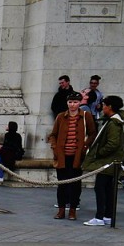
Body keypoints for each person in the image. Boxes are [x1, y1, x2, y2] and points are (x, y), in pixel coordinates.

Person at [81, 95, 124, 226]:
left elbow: (113, 144)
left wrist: (99, 153)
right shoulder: (111, 121)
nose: (102, 108)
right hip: (111, 161)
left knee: (101, 188)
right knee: (108, 189)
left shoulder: (114, 123)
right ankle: (108, 215)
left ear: (110, 107)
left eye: (104, 105)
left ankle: (100, 217)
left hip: (108, 161)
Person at [48, 91, 96, 220]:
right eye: (70, 102)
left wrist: (85, 146)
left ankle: (73, 210)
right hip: (62, 156)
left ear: (80, 103)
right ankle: (61, 209)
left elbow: (92, 133)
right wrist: (54, 147)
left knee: (75, 185)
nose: (72, 105)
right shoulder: (60, 116)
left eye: (75, 102)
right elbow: (53, 134)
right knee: (62, 185)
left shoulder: (86, 116)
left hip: (77, 156)